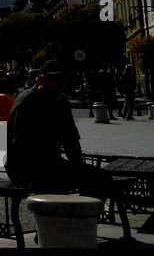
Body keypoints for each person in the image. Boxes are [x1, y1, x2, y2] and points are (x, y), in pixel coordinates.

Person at [6, 62, 113, 199]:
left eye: (61, 80)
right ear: (40, 79)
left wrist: (78, 166)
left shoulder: (60, 100)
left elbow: (71, 140)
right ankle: (76, 214)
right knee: (94, 179)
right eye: (53, 80)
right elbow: (20, 144)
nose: (58, 84)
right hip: (26, 166)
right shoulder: (28, 101)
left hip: (50, 163)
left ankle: (84, 214)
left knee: (100, 178)